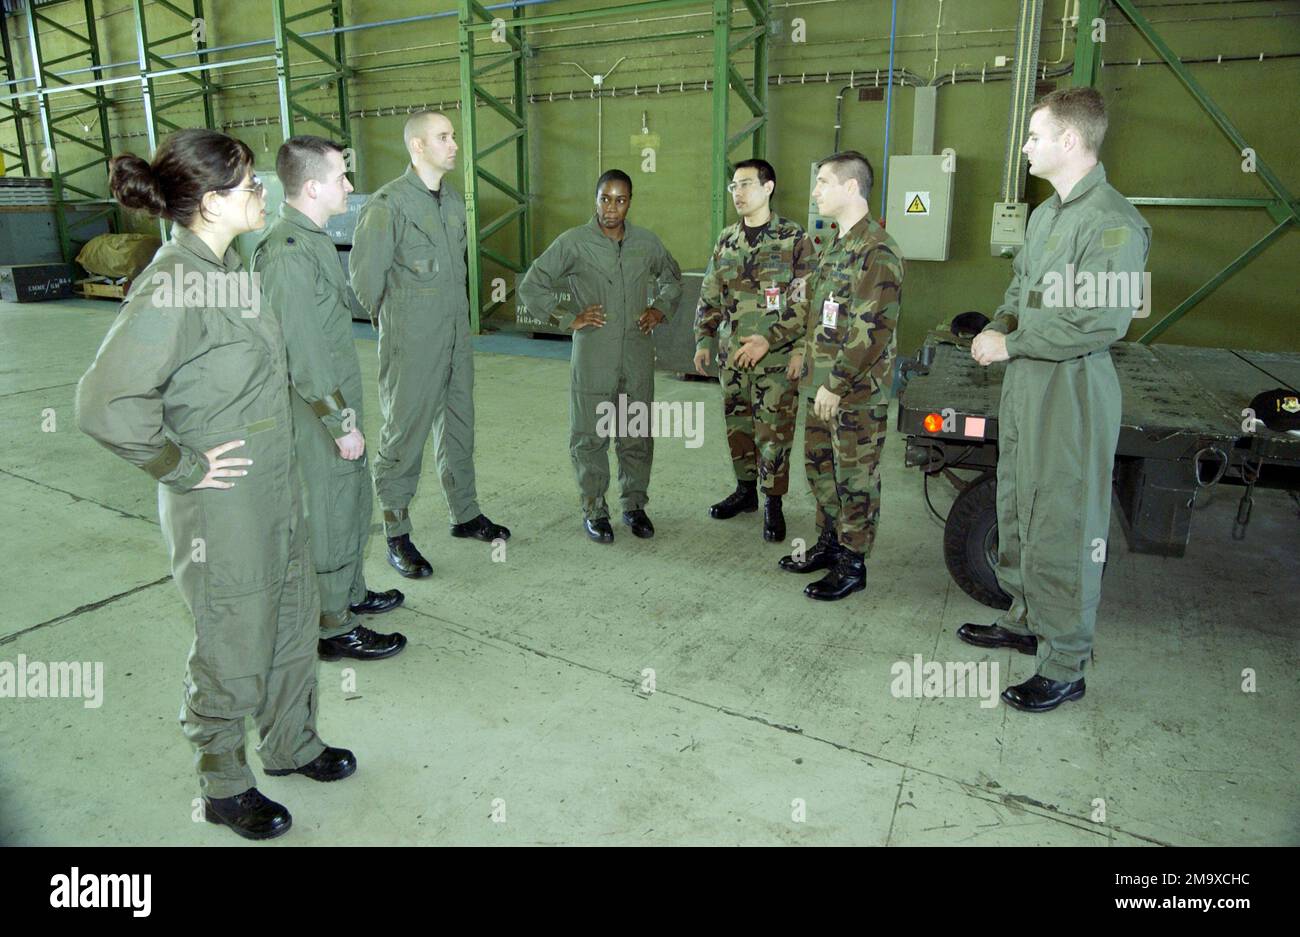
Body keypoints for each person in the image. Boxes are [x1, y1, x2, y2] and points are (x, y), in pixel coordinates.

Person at [77, 129, 355, 841]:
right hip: (222, 503)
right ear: (209, 203)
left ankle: (292, 742)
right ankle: (224, 782)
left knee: (292, 617)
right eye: (253, 185)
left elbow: (277, 368)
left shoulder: (233, 270)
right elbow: (104, 403)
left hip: (275, 484)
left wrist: (328, 416)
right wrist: (181, 465)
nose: (264, 193)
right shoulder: (173, 284)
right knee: (234, 634)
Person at [963, 87, 1150, 713]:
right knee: (1017, 500)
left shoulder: (1114, 223)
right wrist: (997, 327)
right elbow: (1019, 289)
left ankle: (1066, 661)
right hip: (1028, 381)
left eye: (1034, 136)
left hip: (1071, 386)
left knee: (1064, 520)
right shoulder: (1047, 216)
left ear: (1070, 141)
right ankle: (1024, 617)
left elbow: (1103, 319)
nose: (1025, 147)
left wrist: (1013, 345)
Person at [252, 136, 406, 662]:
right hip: (317, 411)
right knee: (330, 510)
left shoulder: (312, 239)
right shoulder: (287, 252)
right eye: (342, 176)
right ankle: (333, 625)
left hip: (334, 402)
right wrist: (341, 424)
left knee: (351, 501)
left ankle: (351, 594)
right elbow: (304, 353)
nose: (349, 185)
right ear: (313, 186)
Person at [350, 110, 509, 579]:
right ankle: (397, 532)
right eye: (443, 137)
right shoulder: (387, 205)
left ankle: (465, 514)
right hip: (412, 343)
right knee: (405, 435)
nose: (454, 144)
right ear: (417, 146)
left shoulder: (454, 201)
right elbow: (365, 282)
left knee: (459, 426)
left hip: (457, 339)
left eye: (453, 136)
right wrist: (402, 326)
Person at [516, 169, 682, 543]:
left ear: (630, 202)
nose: (611, 208)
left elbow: (673, 278)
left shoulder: (646, 242)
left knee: (635, 433)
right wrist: (566, 318)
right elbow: (532, 285)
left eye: (620, 200)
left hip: (637, 354)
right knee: (589, 436)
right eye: (605, 198)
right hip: (593, 355)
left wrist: (659, 309)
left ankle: (634, 505)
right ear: (595, 200)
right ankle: (595, 509)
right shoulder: (573, 243)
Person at [772, 150, 903, 601]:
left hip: (854, 394)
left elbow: (871, 332)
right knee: (821, 471)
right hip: (821, 387)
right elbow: (817, 316)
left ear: (851, 188)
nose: (815, 191)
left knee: (855, 478)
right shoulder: (835, 246)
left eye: (823, 182)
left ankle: (853, 563)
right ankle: (830, 543)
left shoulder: (877, 251)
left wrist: (835, 384)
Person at [693, 158, 814, 543]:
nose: (738, 193)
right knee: (739, 426)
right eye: (733, 187)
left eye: (746, 184)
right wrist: (703, 338)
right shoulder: (727, 239)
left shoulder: (794, 238)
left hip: (777, 360)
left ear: (768, 187)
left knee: (773, 433)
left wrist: (782, 344)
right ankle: (745, 491)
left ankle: (772, 503)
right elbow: (711, 293)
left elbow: (806, 303)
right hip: (734, 356)